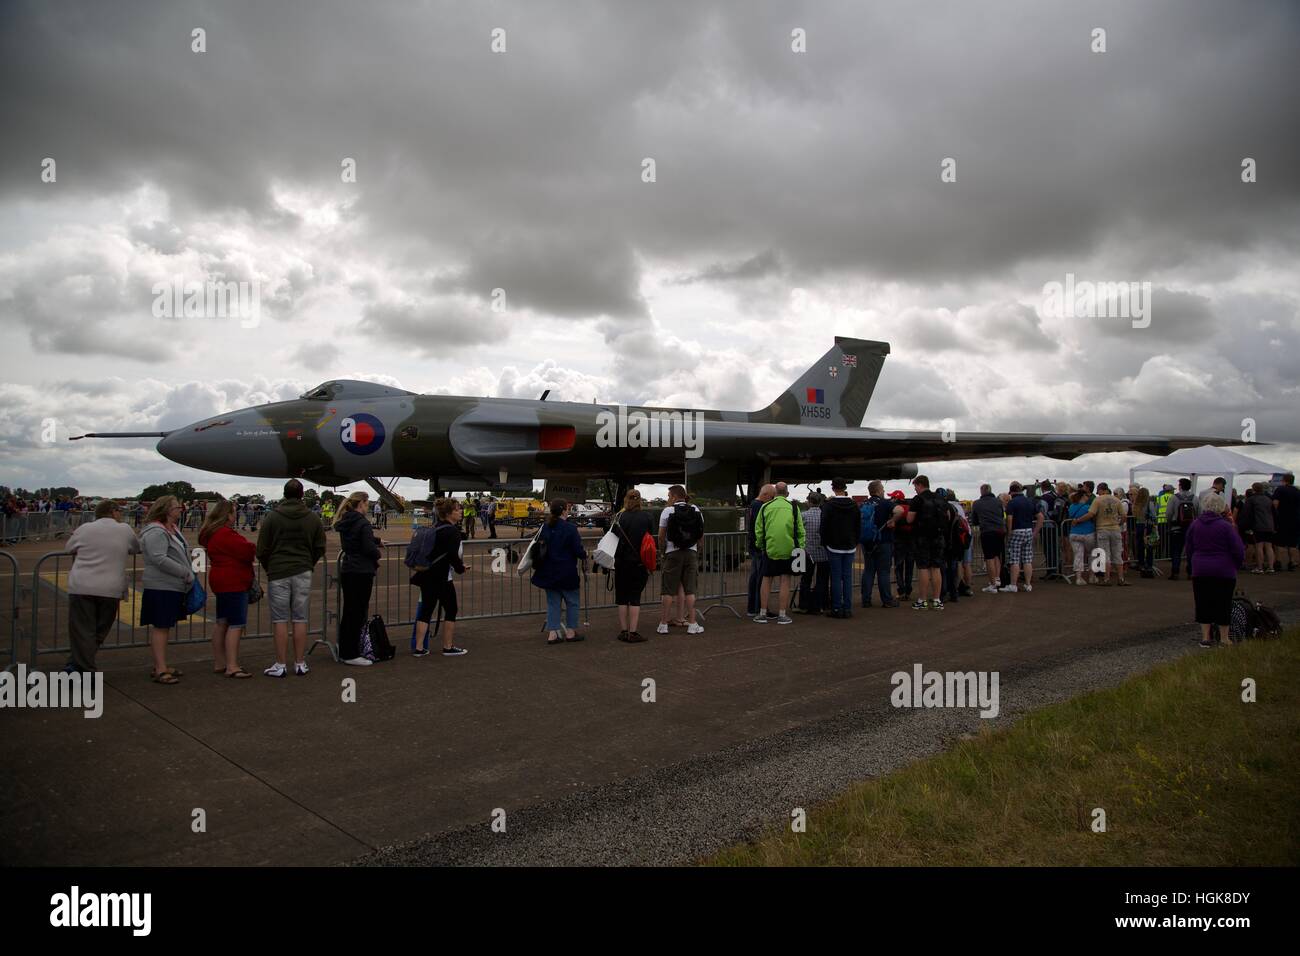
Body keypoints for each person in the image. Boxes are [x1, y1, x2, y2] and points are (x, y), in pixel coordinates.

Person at [256, 479, 327, 677]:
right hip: (303, 570)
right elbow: (320, 546)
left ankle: (280, 664)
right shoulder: (312, 518)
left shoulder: (272, 517)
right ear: (302, 495)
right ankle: (300, 662)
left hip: (278, 571)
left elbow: (261, 549)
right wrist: (308, 563)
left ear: (285, 494)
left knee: (279, 620)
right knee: (300, 618)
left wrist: (270, 566)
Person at [64, 499, 139, 673]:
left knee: (82, 629)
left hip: (82, 585)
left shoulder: (84, 528)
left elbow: (69, 548)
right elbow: (135, 548)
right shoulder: (125, 530)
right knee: (100, 629)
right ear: (113, 512)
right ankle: (84, 669)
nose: (121, 514)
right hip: (110, 588)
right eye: (119, 511)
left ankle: (77, 665)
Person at [139, 495, 194, 684]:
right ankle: (160, 669)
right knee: (161, 627)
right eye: (178, 507)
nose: (181, 509)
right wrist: (184, 572)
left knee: (165, 626)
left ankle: (161, 665)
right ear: (167, 510)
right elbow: (158, 558)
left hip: (172, 585)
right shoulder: (156, 531)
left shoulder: (173, 529)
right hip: (161, 585)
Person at [199, 498, 256, 678]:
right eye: (233, 512)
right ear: (228, 515)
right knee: (236, 624)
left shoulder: (213, 533)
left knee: (222, 622)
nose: (235, 515)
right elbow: (247, 550)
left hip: (220, 580)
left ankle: (220, 662)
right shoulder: (225, 534)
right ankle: (232, 665)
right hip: (233, 581)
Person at [409, 497, 468, 656]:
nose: (460, 512)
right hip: (442, 577)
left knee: (426, 611)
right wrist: (461, 568)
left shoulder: (435, 528)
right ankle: (448, 646)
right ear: (449, 513)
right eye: (457, 510)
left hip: (427, 575)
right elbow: (452, 556)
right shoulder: (452, 532)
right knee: (451, 609)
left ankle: (419, 648)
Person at [1185, 493, 1245, 648]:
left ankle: (1205, 637)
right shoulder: (1226, 526)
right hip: (1223, 569)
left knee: (1203, 602)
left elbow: (1189, 547)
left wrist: (1193, 564)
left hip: (1201, 568)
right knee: (1223, 603)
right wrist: (1236, 565)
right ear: (1220, 507)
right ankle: (1224, 638)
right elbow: (1238, 549)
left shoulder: (1195, 524)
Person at [530, 499, 588, 645]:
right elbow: (577, 550)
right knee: (572, 602)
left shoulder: (545, 527)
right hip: (567, 571)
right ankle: (570, 632)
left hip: (548, 571)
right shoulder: (570, 528)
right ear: (563, 511)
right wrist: (584, 554)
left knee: (553, 603)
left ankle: (553, 634)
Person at [334, 490, 381, 666]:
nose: (368, 507)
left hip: (349, 569)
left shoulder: (347, 521)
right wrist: (377, 553)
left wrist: (376, 540)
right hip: (361, 571)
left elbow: (356, 538)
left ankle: (346, 647)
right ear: (361, 503)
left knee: (349, 612)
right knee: (358, 612)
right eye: (367, 503)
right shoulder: (362, 523)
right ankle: (351, 653)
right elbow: (368, 547)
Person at [610, 488, 657, 643]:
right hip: (639, 562)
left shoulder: (619, 517)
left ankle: (623, 631)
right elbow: (650, 536)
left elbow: (613, 537)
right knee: (635, 597)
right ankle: (633, 632)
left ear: (626, 500)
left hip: (622, 562)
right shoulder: (647, 517)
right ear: (639, 500)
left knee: (622, 597)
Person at [753, 482, 804, 624]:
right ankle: (782, 614)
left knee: (766, 579)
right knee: (785, 581)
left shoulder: (765, 507)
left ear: (775, 493)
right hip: (789, 549)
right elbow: (800, 530)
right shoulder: (794, 507)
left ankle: (762, 613)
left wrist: (761, 545)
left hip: (770, 548)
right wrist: (800, 546)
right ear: (787, 493)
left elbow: (759, 530)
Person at [657, 485, 706, 634]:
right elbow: (701, 533)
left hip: (673, 553)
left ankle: (663, 624)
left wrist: (662, 551)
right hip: (691, 552)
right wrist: (698, 550)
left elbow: (661, 535)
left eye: (668, 496)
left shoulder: (667, 511)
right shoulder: (696, 510)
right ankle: (692, 623)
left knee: (668, 590)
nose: (667, 499)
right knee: (690, 590)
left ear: (673, 496)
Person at [820, 478, 861, 618]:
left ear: (833, 488)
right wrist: (855, 541)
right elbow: (857, 526)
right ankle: (847, 608)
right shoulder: (854, 505)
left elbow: (824, 526)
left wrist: (825, 542)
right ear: (844, 488)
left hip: (833, 546)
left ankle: (836, 608)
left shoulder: (829, 505)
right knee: (847, 577)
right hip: (850, 545)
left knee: (836, 578)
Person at [904, 475, 947, 609]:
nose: (915, 490)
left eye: (915, 486)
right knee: (936, 567)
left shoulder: (918, 499)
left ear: (920, 485)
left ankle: (922, 600)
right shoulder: (940, 498)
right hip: (938, 536)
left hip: (922, 537)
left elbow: (909, 520)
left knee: (923, 568)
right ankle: (936, 600)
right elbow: (948, 516)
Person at [858, 480, 897, 608]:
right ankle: (887, 600)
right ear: (879, 490)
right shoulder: (885, 503)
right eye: (882, 489)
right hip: (883, 541)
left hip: (867, 542)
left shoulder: (864, 504)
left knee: (869, 571)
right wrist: (892, 520)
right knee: (883, 572)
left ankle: (866, 600)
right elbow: (900, 510)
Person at [1083, 482, 1127, 586]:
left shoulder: (1097, 500)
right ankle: (1121, 579)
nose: (1097, 493)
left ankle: (1106, 579)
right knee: (1117, 554)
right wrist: (1119, 523)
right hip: (1115, 529)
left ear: (1101, 490)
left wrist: (1078, 520)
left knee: (1105, 555)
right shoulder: (1116, 500)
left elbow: (1091, 514)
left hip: (1102, 528)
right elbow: (1124, 516)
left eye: (1098, 491)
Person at [1003, 481, 1042, 592]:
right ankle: (1028, 584)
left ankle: (1013, 585)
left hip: (1016, 531)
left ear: (1011, 491)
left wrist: (1009, 532)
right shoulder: (1030, 501)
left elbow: (1009, 518)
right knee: (1027, 559)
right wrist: (1035, 532)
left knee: (1014, 559)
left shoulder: (1012, 503)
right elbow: (1040, 517)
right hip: (1028, 531)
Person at [797, 491, 830, 615]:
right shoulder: (824, 515)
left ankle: (804, 605)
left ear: (809, 501)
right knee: (822, 580)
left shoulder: (803, 515)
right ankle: (820, 604)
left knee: (806, 579)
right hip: (823, 552)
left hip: (807, 553)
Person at [746, 484, 775, 615]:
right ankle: (759, 607)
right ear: (765, 495)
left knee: (755, 577)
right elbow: (760, 527)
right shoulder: (760, 506)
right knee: (761, 577)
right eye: (772, 496)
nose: (773, 499)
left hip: (754, 546)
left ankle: (753, 607)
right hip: (759, 547)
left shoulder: (753, 505)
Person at [971, 484, 1006, 593]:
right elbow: (1001, 515)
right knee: (997, 556)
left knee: (989, 557)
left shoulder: (977, 503)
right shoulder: (998, 502)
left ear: (982, 491)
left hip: (987, 531)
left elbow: (975, 520)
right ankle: (997, 578)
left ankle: (992, 584)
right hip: (1000, 531)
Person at [1165, 478, 1199, 580]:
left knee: (1176, 551)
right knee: (1191, 551)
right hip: (1191, 528)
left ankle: (1175, 572)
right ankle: (1191, 572)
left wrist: (1170, 523)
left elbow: (1168, 513)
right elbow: (1199, 512)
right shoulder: (1195, 498)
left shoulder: (1174, 498)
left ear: (1180, 486)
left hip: (1177, 528)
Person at [1066, 490, 1096, 585]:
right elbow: (1092, 516)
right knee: (1092, 554)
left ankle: (1079, 578)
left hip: (1074, 533)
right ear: (1083, 496)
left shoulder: (1071, 507)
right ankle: (1092, 576)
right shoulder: (1088, 507)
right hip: (1088, 532)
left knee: (1078, 555)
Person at [1272, 473, 1299, 572]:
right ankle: (1292, 562)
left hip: (1282, 519)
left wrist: (1275, 514)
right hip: (1295, 520)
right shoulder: (1297, 491)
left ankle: (1278, 561)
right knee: (1292, 544)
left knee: (1278, 542)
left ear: (1284, 480)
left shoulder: (1280, 490)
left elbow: (1275, 503)